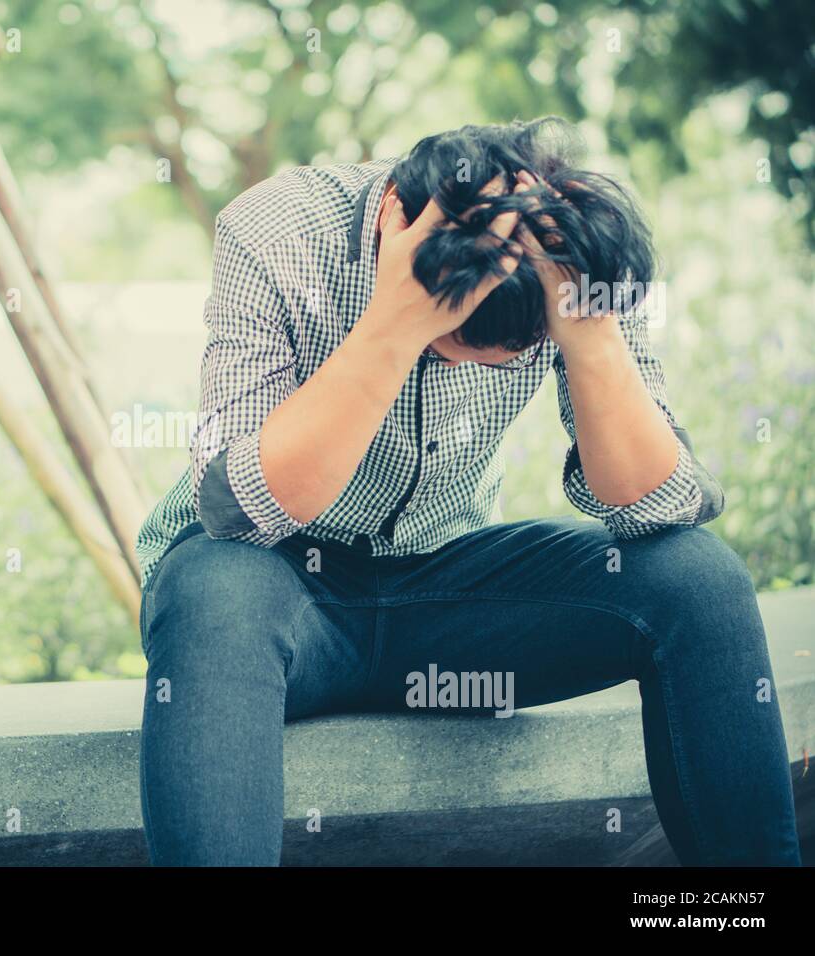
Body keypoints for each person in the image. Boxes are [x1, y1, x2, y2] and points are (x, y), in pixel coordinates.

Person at [133, 117, 801, 866]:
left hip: (450, 603)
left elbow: (656, 503)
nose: (458, 372)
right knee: (212, 584)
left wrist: (587, 330)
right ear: (393, 225)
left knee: (698, 578)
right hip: (276, 601)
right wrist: (395, 326)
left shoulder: (578, 244)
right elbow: (237, 508)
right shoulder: (278, 227)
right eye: (450, 346)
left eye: (493, 362)